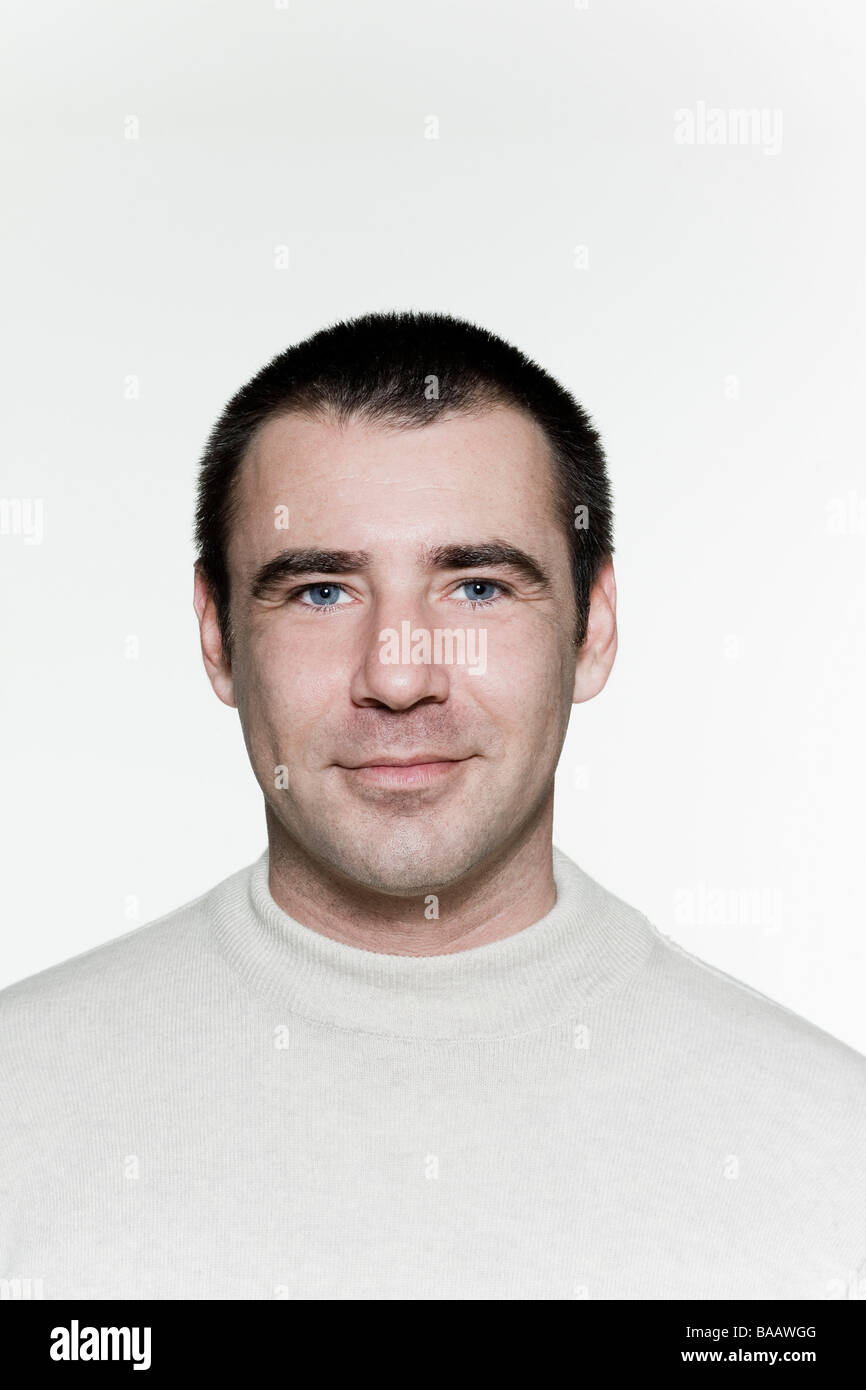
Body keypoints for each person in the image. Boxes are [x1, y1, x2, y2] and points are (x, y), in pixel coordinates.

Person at [2, 311, 864, 1301]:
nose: (400, 674)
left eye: (477, 588)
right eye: (322, 591)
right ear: (215, 637)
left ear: (593, 629)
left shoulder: (834, 1160)